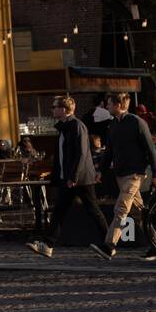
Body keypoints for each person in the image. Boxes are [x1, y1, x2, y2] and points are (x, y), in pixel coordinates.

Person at [25, 95, 110, 257]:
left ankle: (109, 242)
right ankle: (48, 243)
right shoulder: (65, 127)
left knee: (93, 210)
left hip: (80, 179)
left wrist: (74, 177)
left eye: (54, 107)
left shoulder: (76, 126)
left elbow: (81, 153)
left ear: (64, 109)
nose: (52, 109)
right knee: (60, 211)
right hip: (70, 178)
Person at [91, 93, 156, 261]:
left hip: (135, 174)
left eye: (109, 104)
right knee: (139, 213)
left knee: (121, 209)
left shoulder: (137, 122)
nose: (106, 107)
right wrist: (101, 170)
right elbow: (109, 151)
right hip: (121, 175)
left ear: (118, 105)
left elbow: (151, 149)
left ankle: (109, 246)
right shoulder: (114, 125)